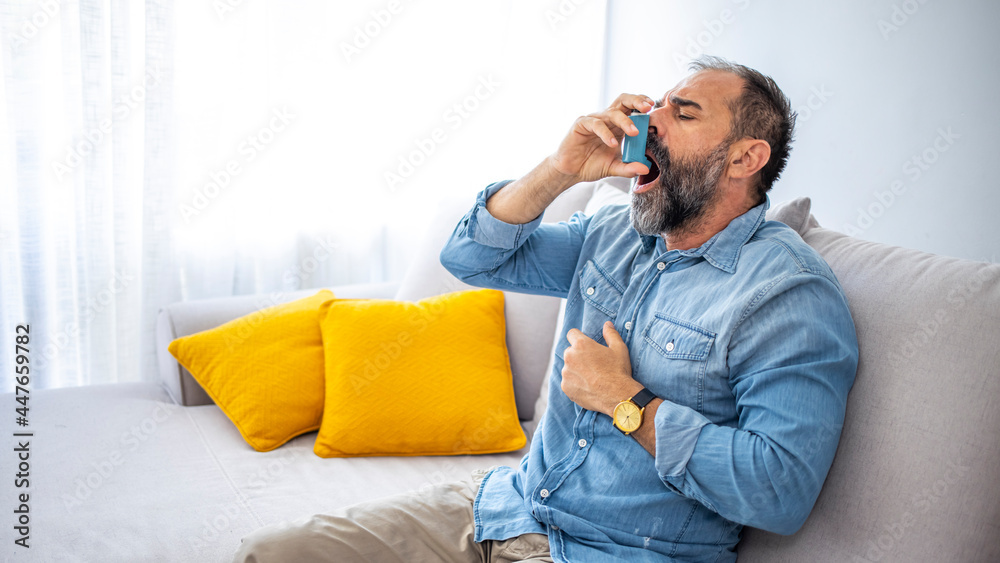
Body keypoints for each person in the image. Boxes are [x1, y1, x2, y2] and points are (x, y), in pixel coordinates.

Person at [232, 56, 858, 563]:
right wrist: (562, 170)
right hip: (506, 509)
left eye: (683, 112)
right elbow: (472, 258)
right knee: (270, 554)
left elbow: (778, 491)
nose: (650, 121)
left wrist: (625, 403)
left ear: (745, 158)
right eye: (656, 106)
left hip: (619, 553)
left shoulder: (786, 295)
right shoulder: (616, 232)